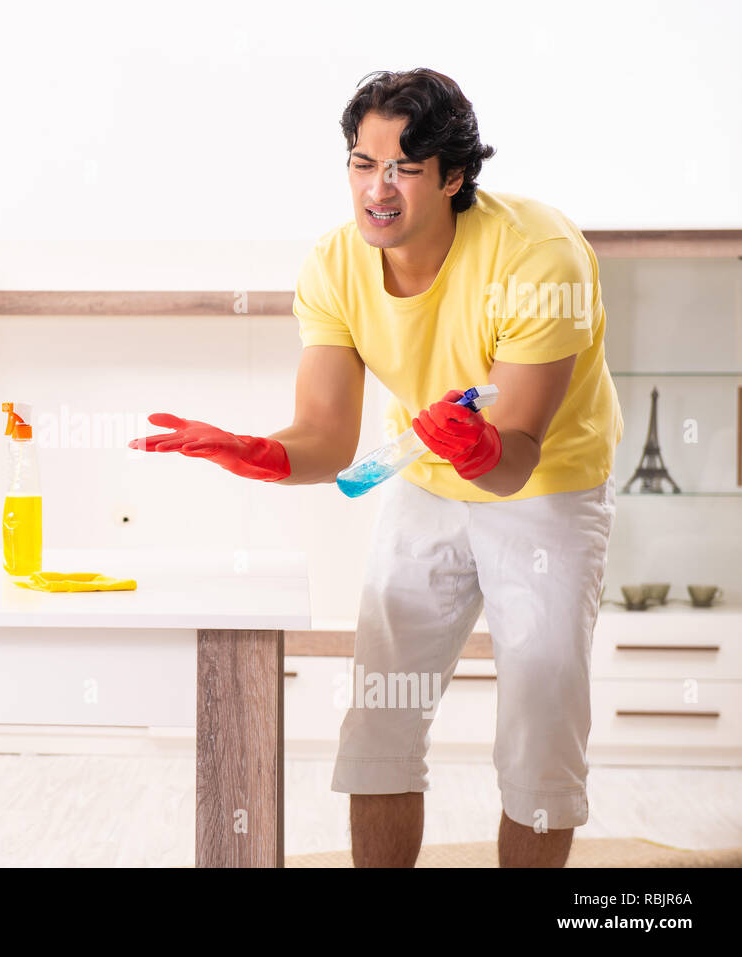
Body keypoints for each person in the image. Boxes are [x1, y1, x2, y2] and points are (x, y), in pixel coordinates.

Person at [128, 68, 623, 867]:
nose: (378, 189)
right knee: (381, 714)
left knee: (540, 717)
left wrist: (484, 446)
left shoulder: (539, 257)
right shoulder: (335, 265)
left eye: (404, 167)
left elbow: (518, 453)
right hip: (427, 479)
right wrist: (263, 452)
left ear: (455, 176)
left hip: (547, 492)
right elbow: (326, 435)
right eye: (363, 163)